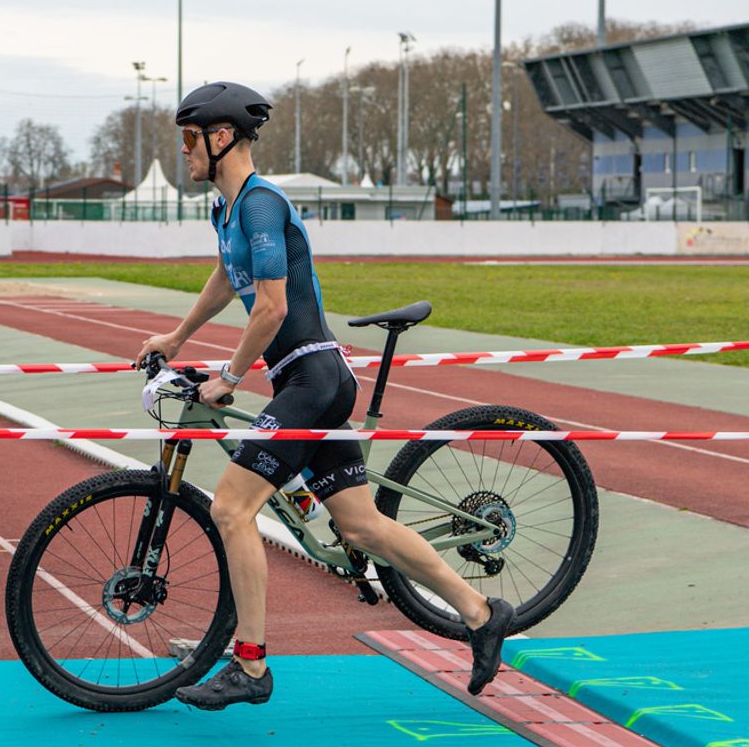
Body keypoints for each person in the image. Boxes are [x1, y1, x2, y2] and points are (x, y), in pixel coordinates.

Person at [134, 81, 514, 711]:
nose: (183, 151)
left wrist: (229, 376)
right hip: (310, 381)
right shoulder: (227, 210)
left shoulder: (259, 204)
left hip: (313, 380)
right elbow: (229, 279)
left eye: (189, 139)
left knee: (232, 509)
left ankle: (250, 667)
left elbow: (273, 306)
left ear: (221, 137)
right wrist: (178, 336)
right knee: (361, 525)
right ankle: (481, 612)